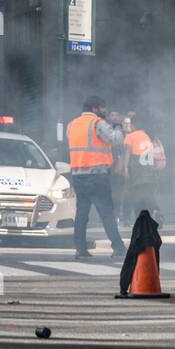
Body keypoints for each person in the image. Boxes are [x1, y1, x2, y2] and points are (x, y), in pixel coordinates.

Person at [66, 95, 127, 261]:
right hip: (97, 176)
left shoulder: (71, 125)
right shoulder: (97, 123)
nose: (105, 111)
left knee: (81, 214)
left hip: (78, 176)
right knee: (106, 213)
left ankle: (80, 249)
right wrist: (119, 126)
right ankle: (118, 247)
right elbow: (116, 140)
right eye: (103, 108)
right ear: (95, 108)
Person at [122, 115, 166, 222]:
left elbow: (127, 153)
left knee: (137, 197)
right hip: (149, 171)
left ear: (133, 125)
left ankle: (141, 220)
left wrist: (125, 168)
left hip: (137, 171)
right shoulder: (147, 136)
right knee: (149, 195)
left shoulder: (130, 136)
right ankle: (155, 211)